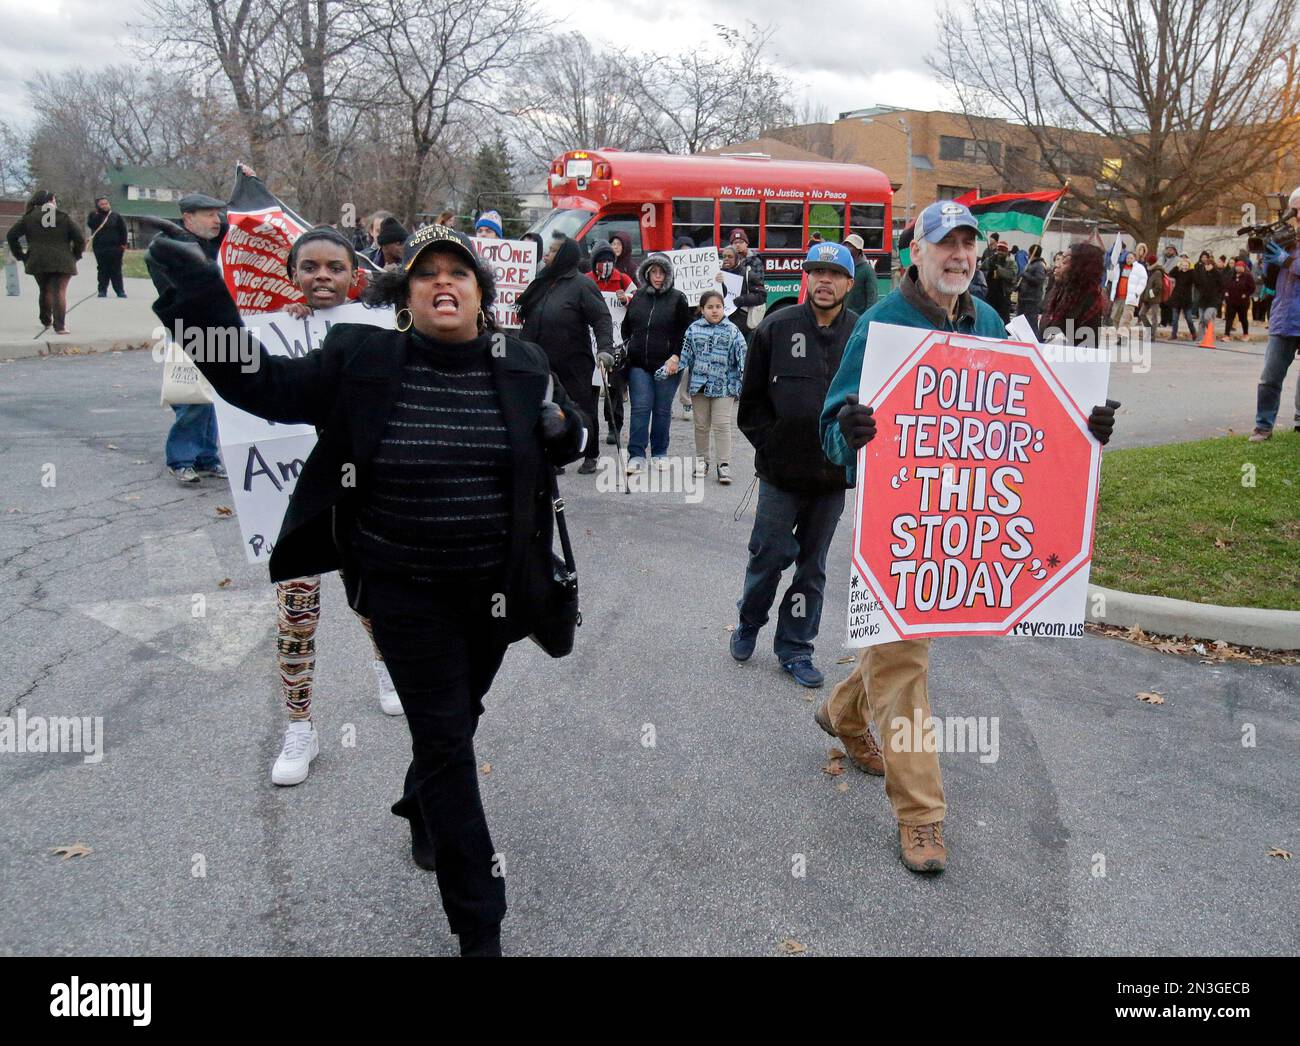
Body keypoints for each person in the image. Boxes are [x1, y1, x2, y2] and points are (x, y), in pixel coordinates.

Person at [146, 221, 588, 956]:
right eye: (425, 274)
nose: (442, 283)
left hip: (495, 594)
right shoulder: (362, 356)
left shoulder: (524, 361)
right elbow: (259, 383)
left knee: (459, 716)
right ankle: (480, 925)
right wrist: (198, 296)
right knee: (447, 741)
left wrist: (563, 428)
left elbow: (574, 439)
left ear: (481, 293)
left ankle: (419, 809)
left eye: (459, 273)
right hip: (403, 591)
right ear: (402, 294)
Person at [820, 200, 1119, 874]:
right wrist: (851, 432)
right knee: (905, 662)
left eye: (967, 245)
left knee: (896, 656)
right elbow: (827, 428)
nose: (958, 256)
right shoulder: (877, 327)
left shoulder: (988, 321)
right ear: (914, 254)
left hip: (961, 522)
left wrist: (1084, 428)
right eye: (944, 245)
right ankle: (922, 817)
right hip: (897, 528)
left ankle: (842, 712)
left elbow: (1029, 410)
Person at [263, 227, 404, 784]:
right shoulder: (266, 334)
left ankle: (386, 665)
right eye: (310, 266)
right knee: (296, 617)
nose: (322, 276)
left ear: (355, 276)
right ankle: (300, 725)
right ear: (292, 274)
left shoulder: (381, 332)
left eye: (334, 267)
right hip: (289, 498)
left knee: (368, 599)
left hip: (357, 498)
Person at [732, 241, 860, 689]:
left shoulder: (862, 335)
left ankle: (796, 647)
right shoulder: (776, 328)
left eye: (834, 274)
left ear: (849, 282)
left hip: (831, 477)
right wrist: (772, 446)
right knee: (767, 556)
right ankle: (749, 620)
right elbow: (749, 405)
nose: (824, 281)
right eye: (817, 272)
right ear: (807, 278)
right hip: (780, 475)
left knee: (812, 566)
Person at [146, 189, 233, 484]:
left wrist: (249, 183)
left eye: (217, 213)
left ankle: (207, 457)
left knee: (213, 397)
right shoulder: (167, 247)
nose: (216, 220)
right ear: (188, 218)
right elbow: (172, 292)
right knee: (192, 398)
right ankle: (181, 458)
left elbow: (245, 225)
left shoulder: (213, 241)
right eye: (209, 214)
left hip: (217, 328)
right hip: (189, 329)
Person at [518, 234, 612, 476]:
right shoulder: (542, 281)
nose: (546, 255)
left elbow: (601, 318)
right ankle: (554, 455)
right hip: (541, 359)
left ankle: (590, 454)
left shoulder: (581, 285)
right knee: (547, 407)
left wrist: (605, 349)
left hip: (573, 360)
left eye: (551, 251)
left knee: (583, 407)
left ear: (563, 256)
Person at [661, 288, 746, 484]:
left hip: (725, 386)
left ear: (724, 309)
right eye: (710, 307)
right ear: (702, 309)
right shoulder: (693, 330)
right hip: (699, 385)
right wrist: (670, 367)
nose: (714, 311)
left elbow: (743, 357)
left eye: (718, 307)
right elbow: (686, 355)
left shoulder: (733, 331)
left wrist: (744, 380)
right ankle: (702, 461)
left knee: (722, 424)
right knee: (701, 425)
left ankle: (723, 465)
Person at [620, 253, 692, 473]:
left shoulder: (678, 298)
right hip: (639, 363)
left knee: (662, 409)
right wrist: (629, 347)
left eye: (662, 272)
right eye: (653, 272)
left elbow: (684, 333)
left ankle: (660, 452)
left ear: (668, 274)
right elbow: (626, 327)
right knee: (640, 408)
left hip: (667, 365)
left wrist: (676, 357)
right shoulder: (638, 297)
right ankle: (637, 455)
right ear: (647, 273)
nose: (657, 277)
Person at [1250, 192, 1300, 441]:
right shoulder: (1286, 238)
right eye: (1295, 210)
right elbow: (1268, 278)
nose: (1297, 215)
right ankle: (1263, 426)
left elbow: (1292, 266)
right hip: (1283, 317)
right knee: (1270, 376)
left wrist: (1288, 261)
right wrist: (1268, 258)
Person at [5, 189, 85, 334]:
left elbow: (11, 235)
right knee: (59, 292)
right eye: (54, 200)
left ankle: (46, 320)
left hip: (38, 259)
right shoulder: (63, 217)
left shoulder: (29, 217)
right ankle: (60, 327)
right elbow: (79, 238)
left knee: (45, 290)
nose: (55, 203)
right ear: (49, 201)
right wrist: (76, 255)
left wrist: (21, 255)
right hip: (63, 260)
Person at [588, 241, 633, 446]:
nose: (605, 264)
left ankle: (615, 425)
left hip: (615, 342)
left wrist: (627, 299)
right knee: (591, 387)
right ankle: (589, 426)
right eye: (601, 260)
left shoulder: (622, 279)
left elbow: (639, 297)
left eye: (608, 260)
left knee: (614, 387)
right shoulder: (587, 280)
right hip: (591, 341)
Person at [1040, 240, 1112, 347]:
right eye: (1058, 260)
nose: (1057, 266)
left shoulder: (1088, 301)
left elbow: (1087, 349)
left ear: (1080, 268)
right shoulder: (1058, 292)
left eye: (1064, 262)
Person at [87, 195, 128, 298]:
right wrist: (98, 214)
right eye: (102, 204)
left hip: (115, 247)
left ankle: (120, 290)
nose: (105, 206)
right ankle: (102, 290)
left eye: (106, 203)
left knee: (116, 269)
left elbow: (123, 230)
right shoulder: (94, 215)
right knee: (102, 269)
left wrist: (123, 244)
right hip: (100, 247)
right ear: (98, 206)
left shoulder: (116, 216)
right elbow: (92, 225)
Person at [1015, 243, 1048, 340]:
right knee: (1021, 322)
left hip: (1032, 300)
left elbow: (1039, 280)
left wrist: (1025, 275)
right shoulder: (1030, 264)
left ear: (1031, 253)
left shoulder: (1039, 265)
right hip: (1024, 298)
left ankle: (1035, 341)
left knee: (1031, 324)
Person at [980, 240, 1018, 323]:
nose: (1000, 252)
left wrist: (998, 269)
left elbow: (1012, 275)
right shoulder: (990, 259)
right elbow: (980, 272)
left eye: (1002, 251)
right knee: (988, 316)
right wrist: (989, 270)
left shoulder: (1011, 262)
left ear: (1006, 252)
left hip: (1004, 295)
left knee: (1004, 319)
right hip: (990, 293)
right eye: (998, 250)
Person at [844, 232, 879, 315]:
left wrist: (866, 318)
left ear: (858, 250)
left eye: (850, 246)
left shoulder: (867, 270)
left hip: (858, 318)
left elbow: (872, 297)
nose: (847, 248)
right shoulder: (843, 267)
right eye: (845, 245)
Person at [1192, 251, 1224, 338]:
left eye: (1209, 265)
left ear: (1213, 265)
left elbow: (1222, 286)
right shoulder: (1202, 274)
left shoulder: (1217, 274)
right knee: (1201, 320)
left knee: (1207, 317)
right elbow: (1197, 283)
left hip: (1213, 301)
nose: (1207, 266)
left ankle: (1210, 334)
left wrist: (1219, 297)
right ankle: (1201, 337)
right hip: (1202, 299)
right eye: (1206, 265)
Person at [1223, 259, 1256, 341]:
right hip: (1231, 301)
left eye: (1240, 267)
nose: (1238, 268)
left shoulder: (1248, 276)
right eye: (1237, 267)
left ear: (1243, 267)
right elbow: (1226, 285)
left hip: (1243, 302)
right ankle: (1227, 335)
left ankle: (1245, 334)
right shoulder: (1231, 275)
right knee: (1229, 318)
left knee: (1243, 318)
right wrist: (1226, 293)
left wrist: (1246, 294)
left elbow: (1252, 288)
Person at [1136, 250, 1166, 339]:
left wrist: (1151, 294)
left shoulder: (1157, 272)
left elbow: (1158, 286)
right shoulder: (1149, 270)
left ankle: (1152, 335)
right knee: (1141, 314)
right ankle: (1149, 330)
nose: (1146, 263)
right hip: (1146, 298)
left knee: (1154, 317)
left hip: (1154, 299)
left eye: (1147, 262)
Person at [1168, 255, 1197, 339]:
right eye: (1183, 265)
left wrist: (1191, 267)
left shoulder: (1191, 273)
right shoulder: (1178, 272)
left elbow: (1195, 278)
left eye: (1186, 266)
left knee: (1189, 319)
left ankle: (1193, 332)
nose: (1184, 267)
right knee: (1174, 319)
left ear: (1188, 266)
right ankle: (1174, 334)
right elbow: (1170, 273)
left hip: (1186, 299)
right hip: (1177, 297)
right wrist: (1177, 266)